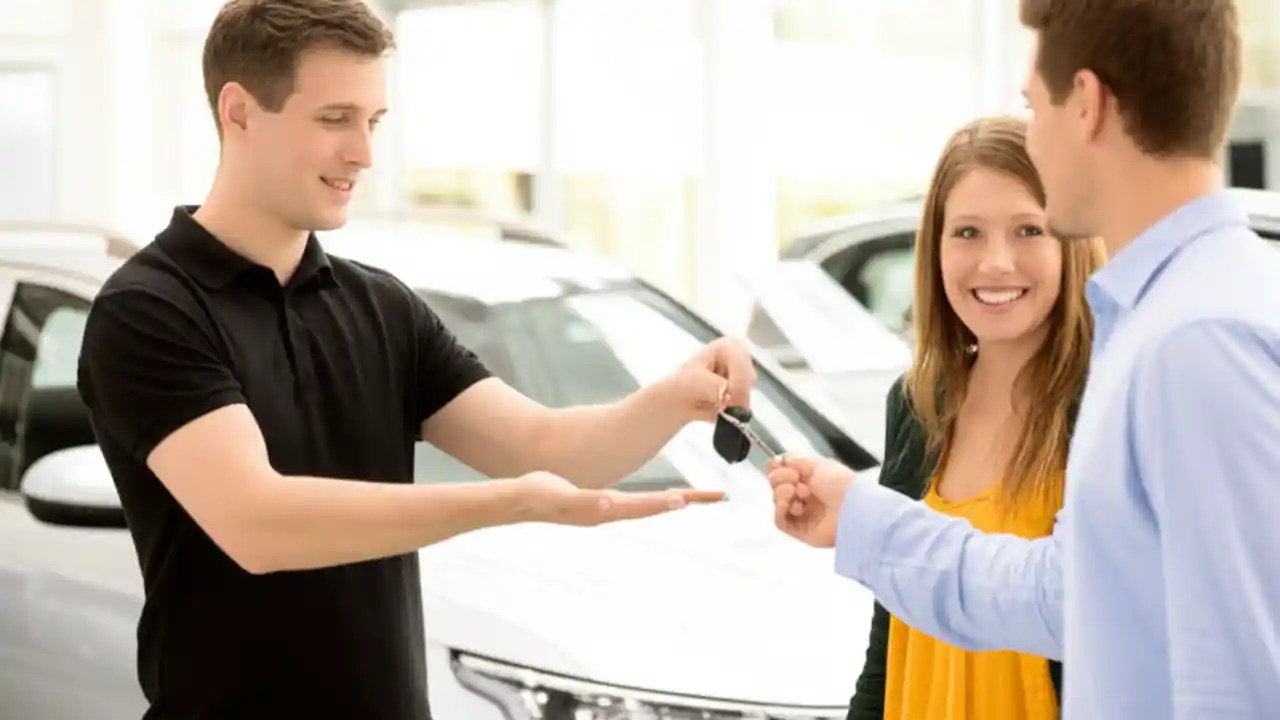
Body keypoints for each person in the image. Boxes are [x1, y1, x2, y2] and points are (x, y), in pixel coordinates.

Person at [74, 1, 753, 718]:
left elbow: (550, 450)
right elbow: (260, 523)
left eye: (374, 122)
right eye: (335, 119)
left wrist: (676, 396)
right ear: (238, 113)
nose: (363, 153)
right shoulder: (150, 311)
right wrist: (512, 502)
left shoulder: (381, 307)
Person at [768, 1, 1280, 718]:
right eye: (968, 232)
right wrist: (862, 520)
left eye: (1033, 107)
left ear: (1087, 106)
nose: (1031, 141)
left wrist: (867, 524)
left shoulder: (1195, 341)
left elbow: (1244, 681)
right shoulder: (1172, 322)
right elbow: (1069, 594)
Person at [844, 115, 1105, 720]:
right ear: (934, 248)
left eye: (1027, 230)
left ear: (1071, 240)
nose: (995, 263)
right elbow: (888, 646)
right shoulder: (916, 404)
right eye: (966, 232)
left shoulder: (1105, 402)